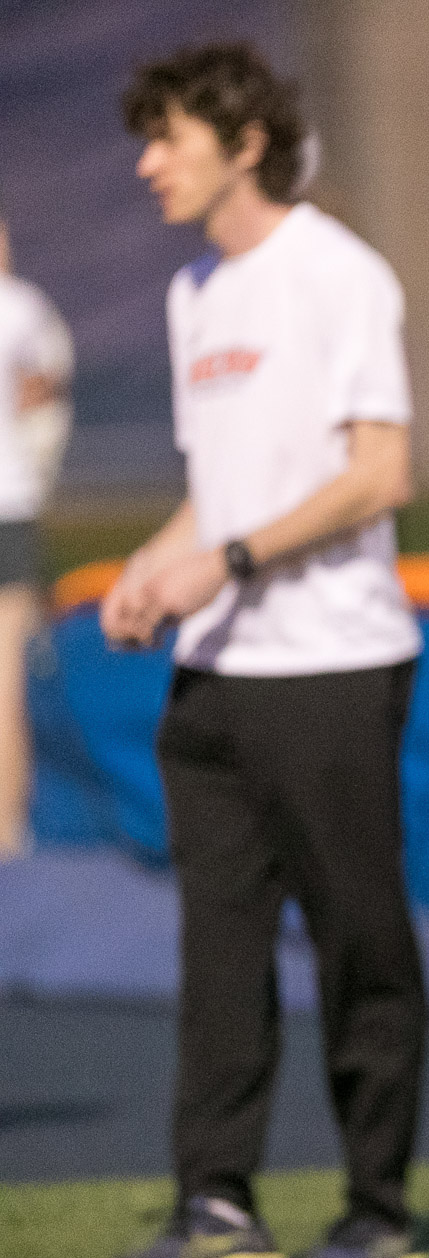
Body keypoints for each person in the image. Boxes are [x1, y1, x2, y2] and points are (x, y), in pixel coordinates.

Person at [106, 43, 429, 1258]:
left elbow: (379, 474)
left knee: (361, 945)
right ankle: (216, 1208)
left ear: (244, 145)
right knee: (220, 956)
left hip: (334, 667)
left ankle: (378, 1215)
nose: (148, 165)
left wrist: (226, 560)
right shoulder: (195, 291)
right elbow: (219, 488)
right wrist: (154, 566)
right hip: (214, 680)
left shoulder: (340, 275)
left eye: (169, 140)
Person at [0, 208, 72, 859]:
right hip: (11, 505)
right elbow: (48, 386)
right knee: (8, 675)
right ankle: (7, 829)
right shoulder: (21, 306)